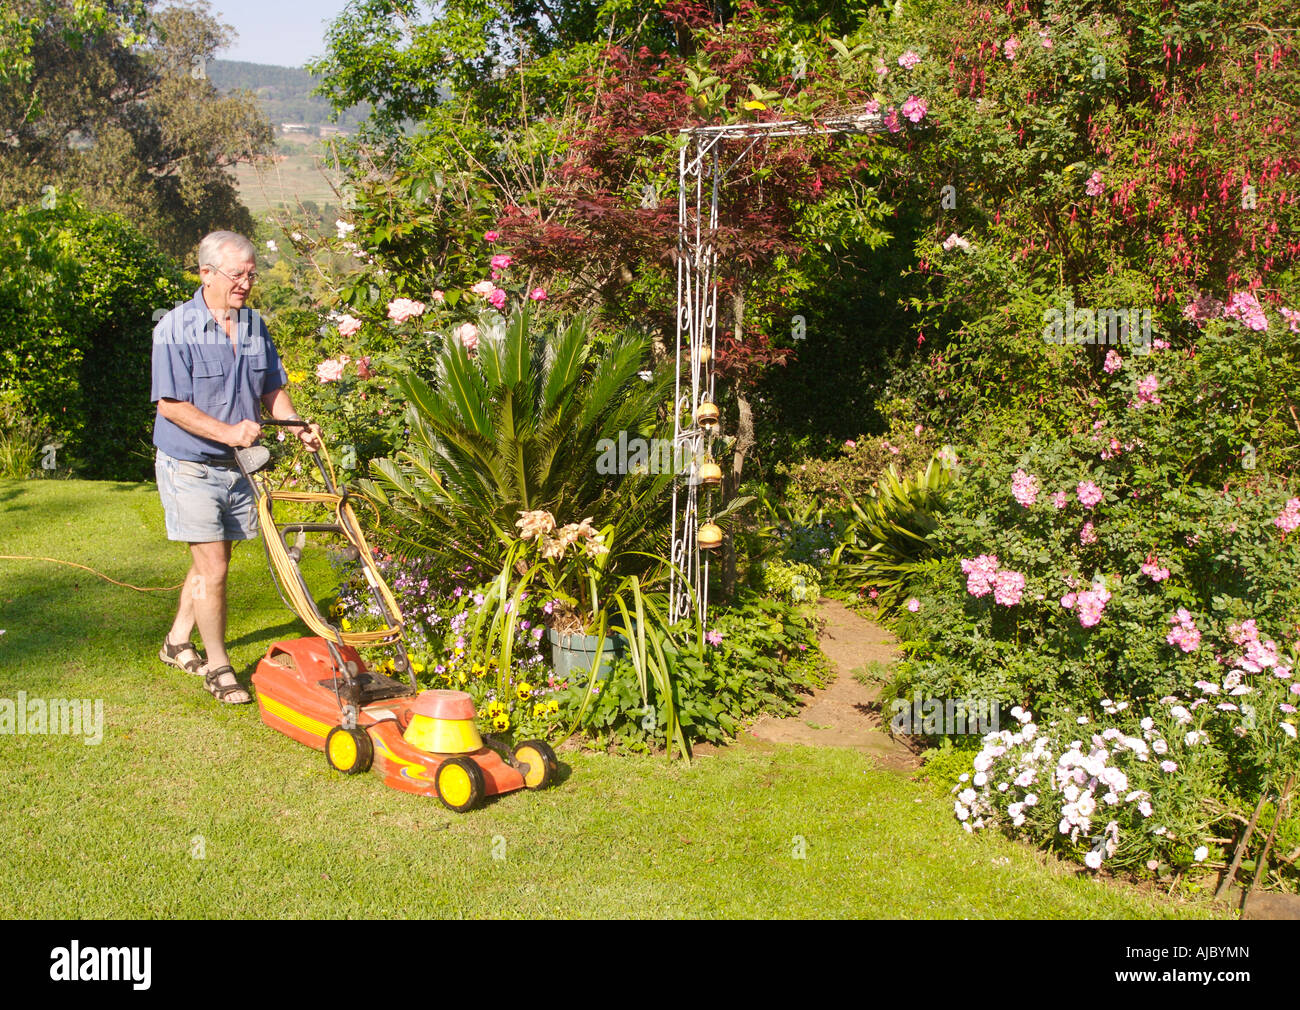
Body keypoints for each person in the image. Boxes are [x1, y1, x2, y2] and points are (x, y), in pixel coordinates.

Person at [151, 230, 320, 703]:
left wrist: (295, 424)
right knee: (215, 565)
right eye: (236, 274)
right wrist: (228, 432)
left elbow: (271, 388)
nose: (246, 283)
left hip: (238, 467)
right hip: (190, 464)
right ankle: (219, 666)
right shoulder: (174, 329)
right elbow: (170, 405)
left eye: (251, 274)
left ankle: (176, 641)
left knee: (212, 562)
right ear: (205, 273)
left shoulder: (253, 327)